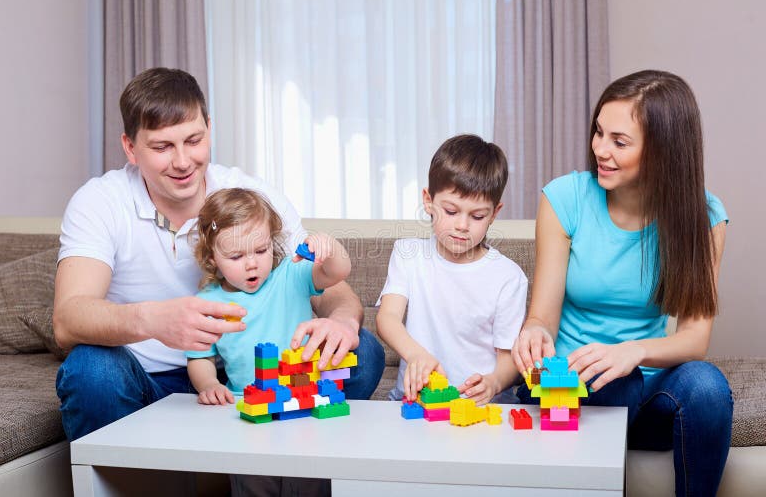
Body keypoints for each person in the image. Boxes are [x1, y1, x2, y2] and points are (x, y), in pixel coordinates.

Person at [53, 67, 384, 442]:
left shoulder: (249, 197)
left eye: (194, 140)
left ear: (209, 128)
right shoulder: (99, 201)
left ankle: (283, 456)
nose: (182, 162)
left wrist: (341, 322)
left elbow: (328, 285)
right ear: (130, 147)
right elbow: (68, 320)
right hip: (141, 379)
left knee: (364, 352)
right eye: (162, 147)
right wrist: (152, 320)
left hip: (248, 376)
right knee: (90, 370)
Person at [510, 70, 732, 497]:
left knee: (706, 385)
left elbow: (695, 338)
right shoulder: (565, 198)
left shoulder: (704, 217)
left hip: (647, 388)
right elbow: (542, 314)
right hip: (572, 389)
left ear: (663, 152)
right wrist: (534, 330)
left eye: (619, 141)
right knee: (618, 381)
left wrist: (635, 351)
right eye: (598, 132)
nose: (600, 150)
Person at [376, 134, 527, 404]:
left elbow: (509, 360)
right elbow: (387, 319)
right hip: (415, 399)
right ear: (428, 201)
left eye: (477, 216)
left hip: (483, 404)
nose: (462, 225)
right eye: (451, 211)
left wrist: (493, 383)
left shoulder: (508, 277)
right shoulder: (407, 255)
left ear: (494, 213)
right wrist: (416, 355)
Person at [185, 187, 351, 403]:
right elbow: (200, 358)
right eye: (236, 257)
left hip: (305, 395)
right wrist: (209, 385)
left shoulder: (291, 275)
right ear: (212, 258)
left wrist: (328, 246)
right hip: (244, 402)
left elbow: (339, 271)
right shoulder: (207, 304)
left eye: (261, 250)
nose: (252, 264)